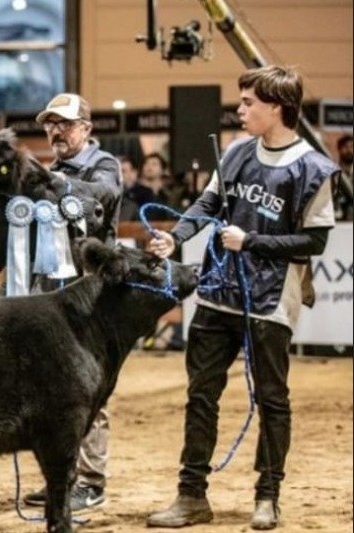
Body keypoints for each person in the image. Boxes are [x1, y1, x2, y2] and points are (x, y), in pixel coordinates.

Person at [146, 65, 338, 531]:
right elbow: (207, 205)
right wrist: (177, 237)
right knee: (200, 396)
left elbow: (314, 243)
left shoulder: (314, 170)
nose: (241, 109)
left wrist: (250, 242)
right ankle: (191, 495)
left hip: (270, 300)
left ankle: (267, 496)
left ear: (277, 107)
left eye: (249, 102)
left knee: (272, 399)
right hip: (217, 292)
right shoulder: (234, 153)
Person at [22, 92, 122, 513]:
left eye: (64, 123)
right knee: (51, 393)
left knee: (87, 392)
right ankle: (61, 478)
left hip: (90, 299)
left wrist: (53, 182)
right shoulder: (53, 172)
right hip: (50, 296)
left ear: (86, 127)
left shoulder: (102, 166)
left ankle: (92, 481)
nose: (55, 131)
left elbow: (103, 197)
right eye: (50, 124)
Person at [334, 134, 353, 221]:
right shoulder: (333, 172)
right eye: (345, 147)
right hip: (338, 219)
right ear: (339, 149)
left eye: (352, 147)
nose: (349, 150)